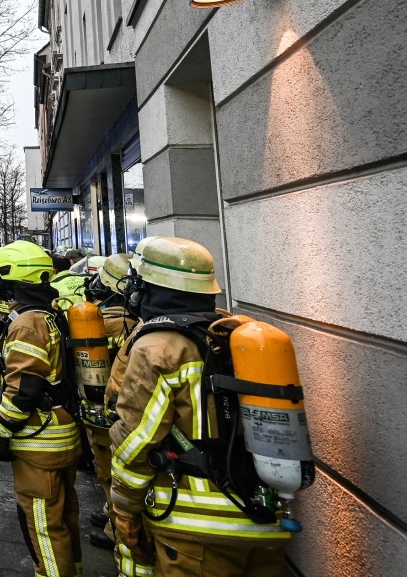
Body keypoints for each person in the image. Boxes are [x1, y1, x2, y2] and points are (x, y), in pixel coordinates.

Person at [108, 237, 292, 576]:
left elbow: (135, 442)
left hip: (195, 529)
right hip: (264, 518)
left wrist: (123, 509)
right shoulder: (233, 334)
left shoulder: (159, 347)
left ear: (146, 287)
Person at [0, 241, 82, 577]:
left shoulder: (28, 324)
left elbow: (25, 391)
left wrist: (0, 431)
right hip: (61, 433)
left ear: (14, 277)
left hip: (39, 442)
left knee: (44, 528)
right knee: (65, 518)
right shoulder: (49, 314)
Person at [84, 253, 142, 554]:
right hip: (127, 408)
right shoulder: (138, 322)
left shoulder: (101, 321)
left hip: (106, 410)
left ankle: (117, 531)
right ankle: (112, 515)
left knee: (111, 471)